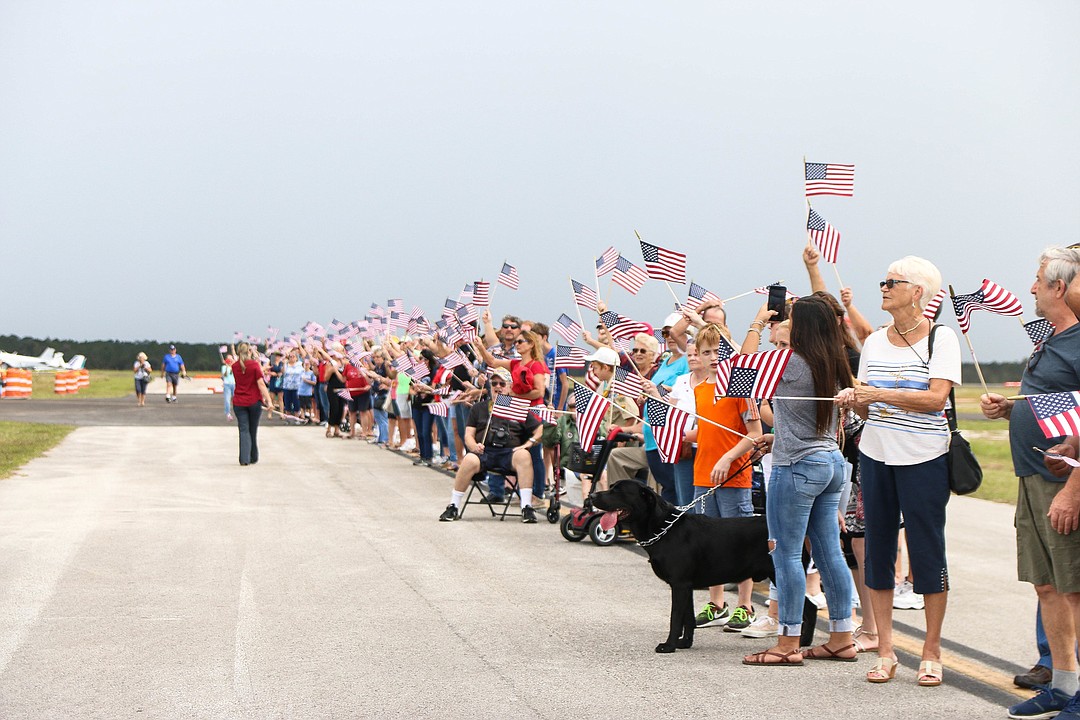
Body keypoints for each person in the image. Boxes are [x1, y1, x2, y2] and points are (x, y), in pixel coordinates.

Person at [836, 256, 961, 686]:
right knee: (877, 548)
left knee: (927, 551)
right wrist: (855, 399)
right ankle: (885, 649)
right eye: (884, 280)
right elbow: (869, 403)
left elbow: (934, 399)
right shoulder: (873, 344)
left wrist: (878, 393)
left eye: (893, 282)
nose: (884, 286)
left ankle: (932, 649)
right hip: (875, 454)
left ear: (918, 292)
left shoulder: (941, 339)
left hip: (924, 456)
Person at [980, 246, 1080, 719]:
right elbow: (1052, 401)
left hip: (1062, 484)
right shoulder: (1049, 339)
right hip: (1031, 476)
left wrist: (1072, 489)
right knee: (1047, 587)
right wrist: (1012, 407)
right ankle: (1062, 685)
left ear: (1058, 287)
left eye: (1038, 280)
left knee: (1075, 587)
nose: (1031, 288)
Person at [743, 295, 856, 666]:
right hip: (829, 461)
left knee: (786, 553)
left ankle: (788, 642)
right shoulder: (834, 361)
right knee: (828, 553)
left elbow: (739, 372)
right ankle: (842, 636)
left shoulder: (790, 363)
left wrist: (758, 323)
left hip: (797, 467)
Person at [688, 323, 763, 634]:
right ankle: (716, 603)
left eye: (719, 350)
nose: (713, 357)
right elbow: (702, 431)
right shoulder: (700, 388)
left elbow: (756, 433)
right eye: (707, 352)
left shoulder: (742, 388)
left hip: (733, 476)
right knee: (708, 543)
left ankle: (745, 605)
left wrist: (729, 457)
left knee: (740, 543)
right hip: (703, 475)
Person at [438, 368, 543, 524]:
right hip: (484, 452)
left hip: (509, 453)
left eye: (502, 383)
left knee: (524, 455)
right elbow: (468, 435)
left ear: (509, 387)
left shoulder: (519, 409)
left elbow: (540, 429)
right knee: (469, 460)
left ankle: (526, 507)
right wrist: (473, 446)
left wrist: (528, 444)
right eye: (494, 383)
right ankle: (454, 505)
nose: (498, 387)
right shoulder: (478, 408)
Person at [230, 342, 274, 466]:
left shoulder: (235, 366)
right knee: (252, 430)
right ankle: (253, 456)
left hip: (239, 401)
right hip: (253, 401)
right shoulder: (254, 365)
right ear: (249, 351)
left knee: (243, 430)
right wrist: (269, 400)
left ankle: (245, 458)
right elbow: (260, 384)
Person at [221, 353, 235, 420]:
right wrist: (227, 366)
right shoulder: (224, 367)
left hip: (234, 384)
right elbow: (224, 375)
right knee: (227, 400)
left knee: (236, 399)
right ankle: (228, 413)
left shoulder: (235, 367)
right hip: (227, 385)